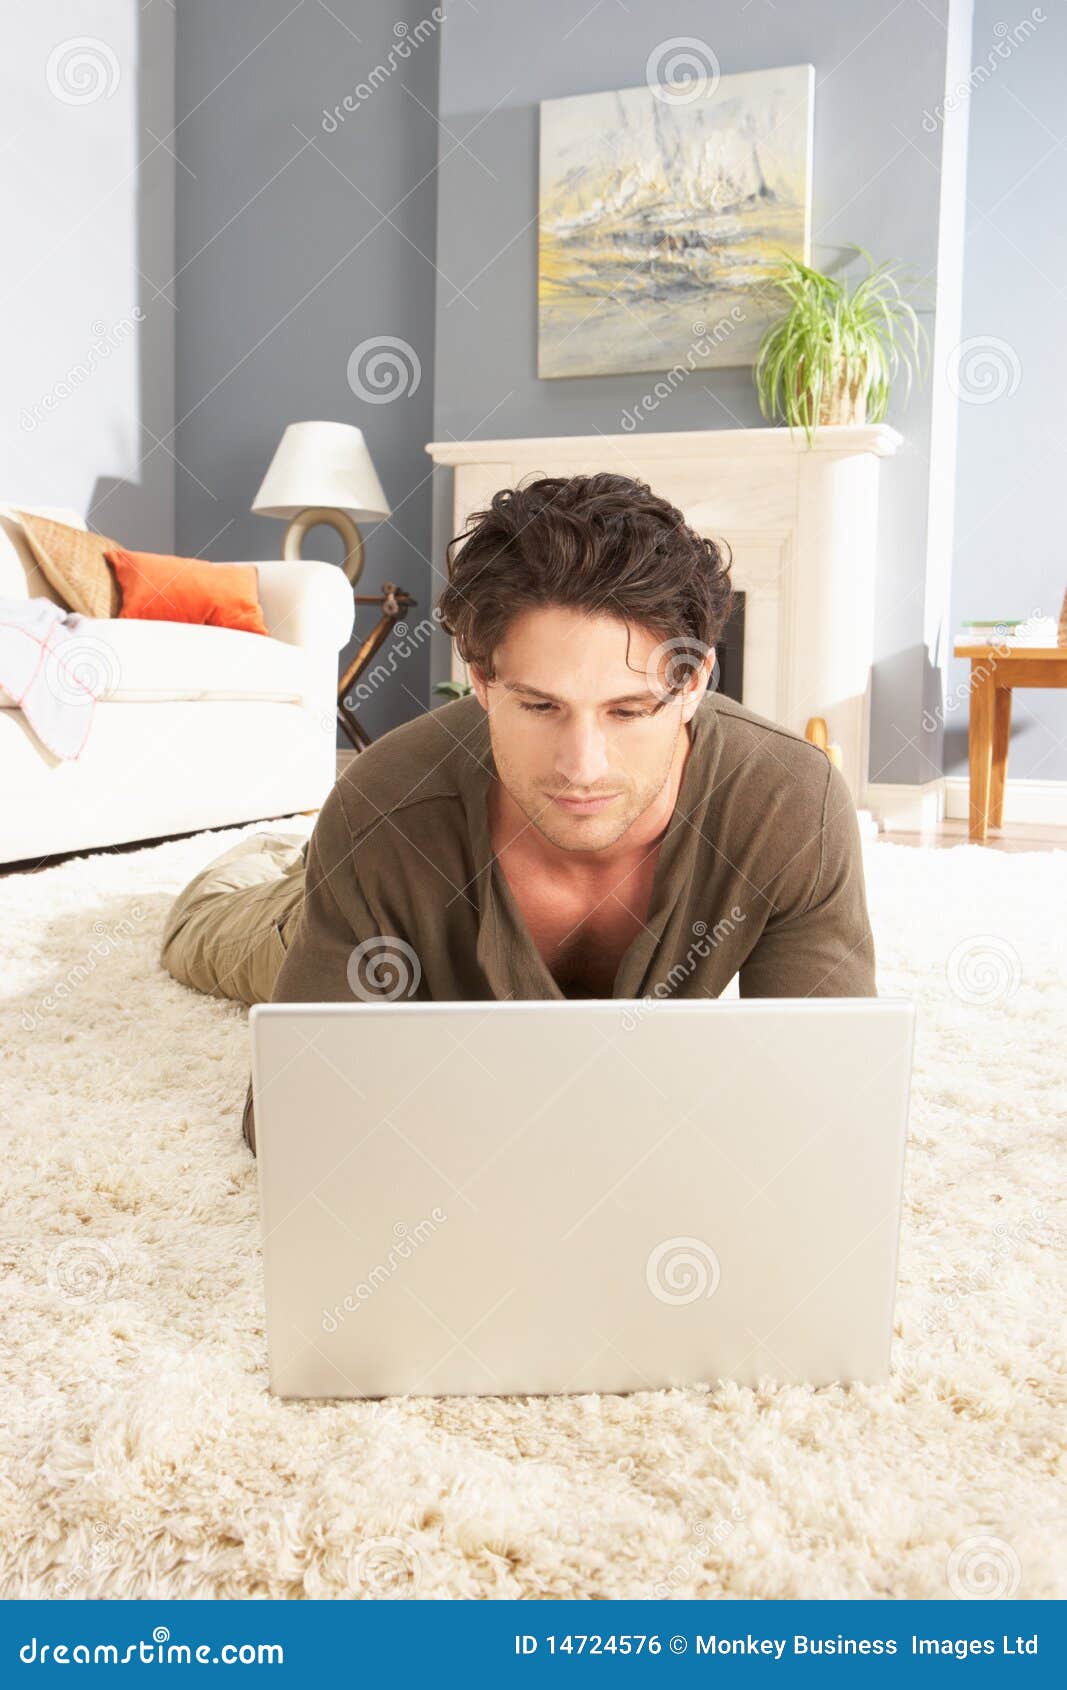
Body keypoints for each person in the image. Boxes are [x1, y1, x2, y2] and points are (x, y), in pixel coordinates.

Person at [159, 473, 877, 1153]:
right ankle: (278, 860)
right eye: (540, 706)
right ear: (480, 678)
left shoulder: (790, 802)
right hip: (337, 885)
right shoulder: (385, 807)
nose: (582, 768)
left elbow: (827, 1103)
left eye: (627, 711)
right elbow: (292, 1121)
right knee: (199, 926)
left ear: (692, 684)